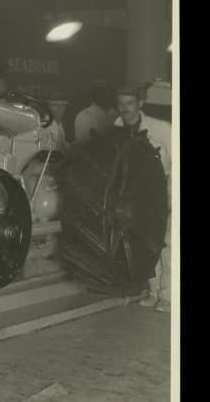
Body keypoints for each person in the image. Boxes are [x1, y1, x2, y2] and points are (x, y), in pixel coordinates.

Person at [114, 83, 172, 313]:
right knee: (147, 244)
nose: (124, 109)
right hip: (138, 197)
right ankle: (153, 290)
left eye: (129, 103)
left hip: (166, 192)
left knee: (167, 245)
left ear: (140, 104)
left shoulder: (162, 128)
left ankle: (168, 296)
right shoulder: (117, 128)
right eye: (120, 104)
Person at [73, 81, 118, 145]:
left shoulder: (116, 114)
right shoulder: (84, 116)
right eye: (102, 92)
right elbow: (83, 145)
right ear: (94, 95)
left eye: (110, 92)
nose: (108, 95)